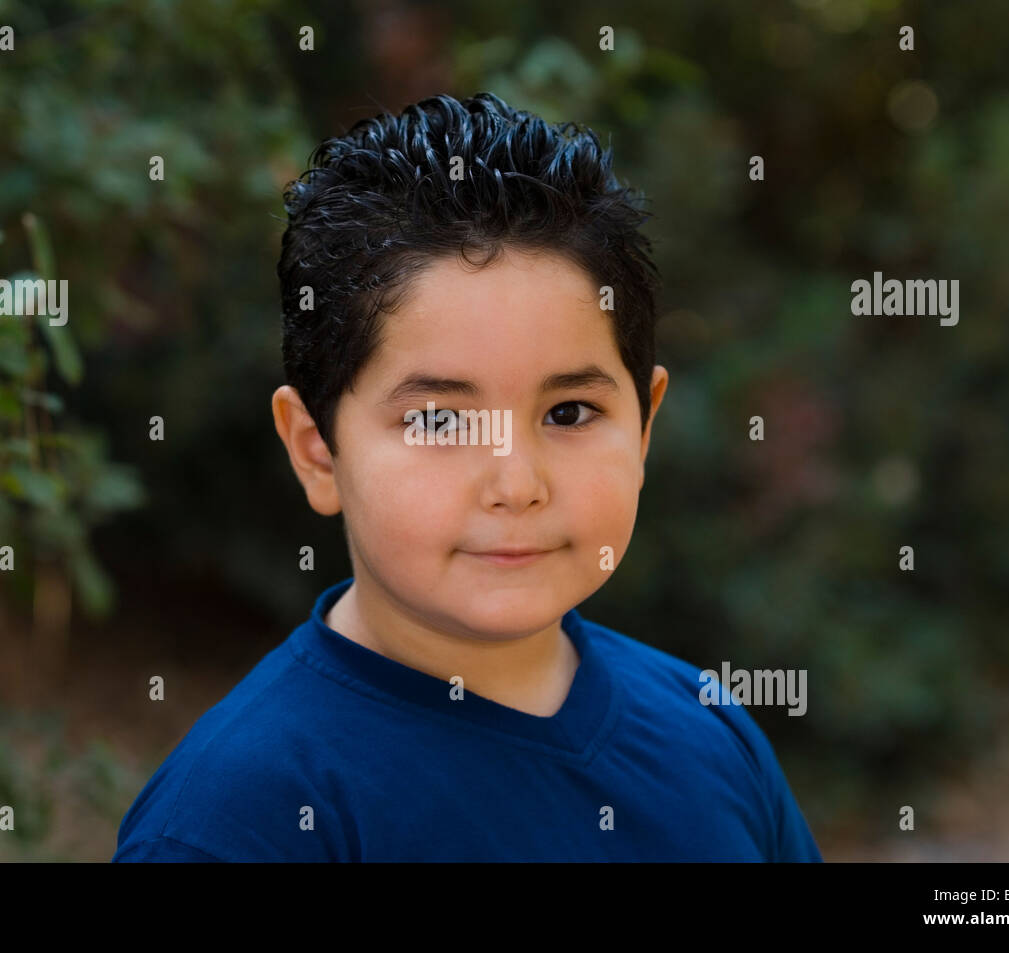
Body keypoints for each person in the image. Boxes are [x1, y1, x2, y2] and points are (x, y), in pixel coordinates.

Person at [113, 92, 822, 862]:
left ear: (645, 425)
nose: (516, 484)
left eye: (571, 413)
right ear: (317, 450)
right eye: (440, 421)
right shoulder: (238, 822)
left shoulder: (708, 732)